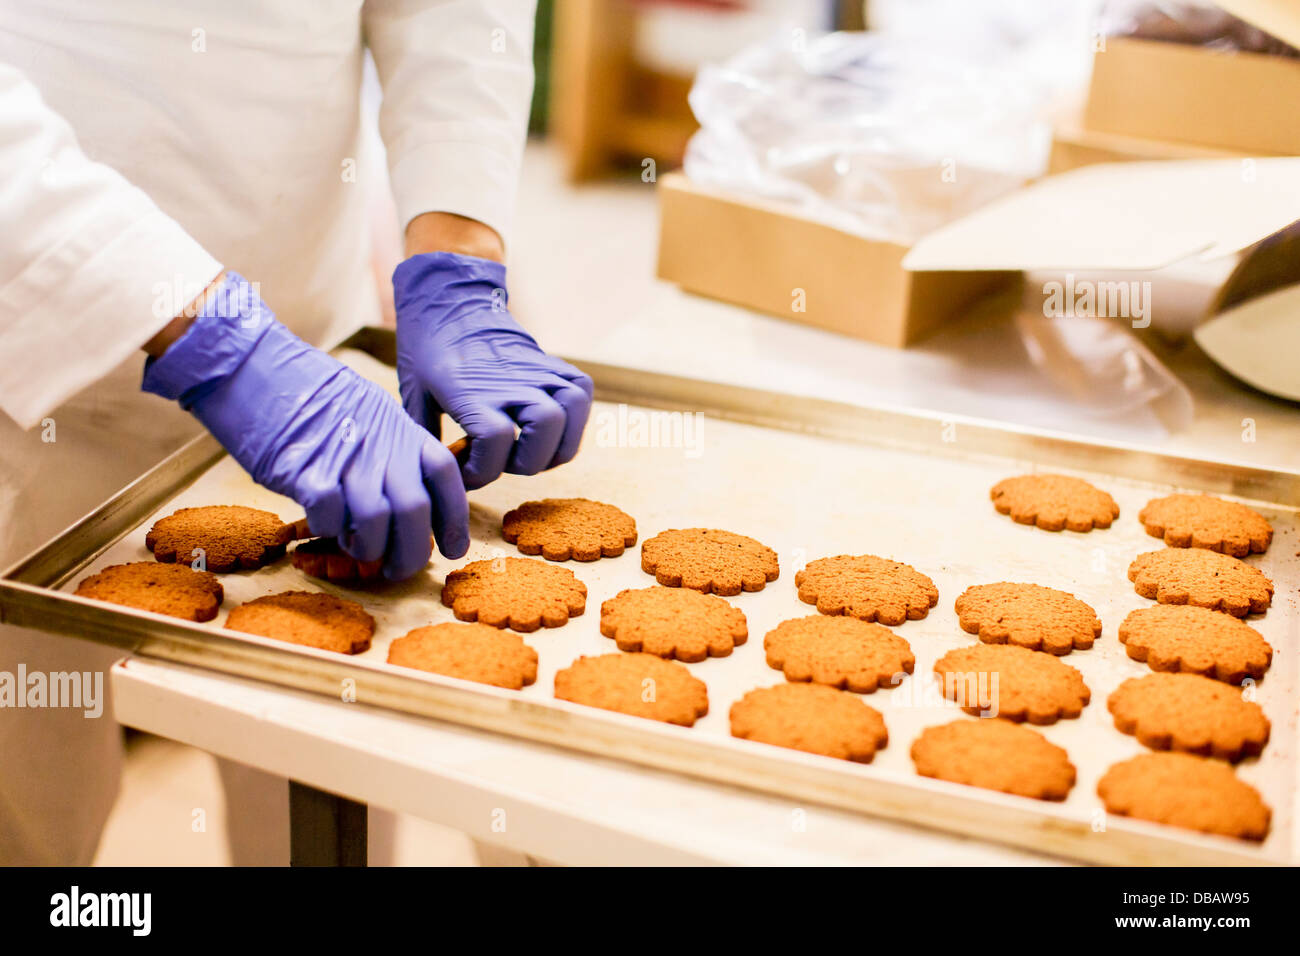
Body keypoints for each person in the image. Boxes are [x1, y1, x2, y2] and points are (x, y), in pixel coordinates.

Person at [0, 0, 588, 864]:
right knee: (30, 809)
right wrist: (207, 339)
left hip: (312, 352)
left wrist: (457, 251)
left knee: (317, 810)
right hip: (30, 374)